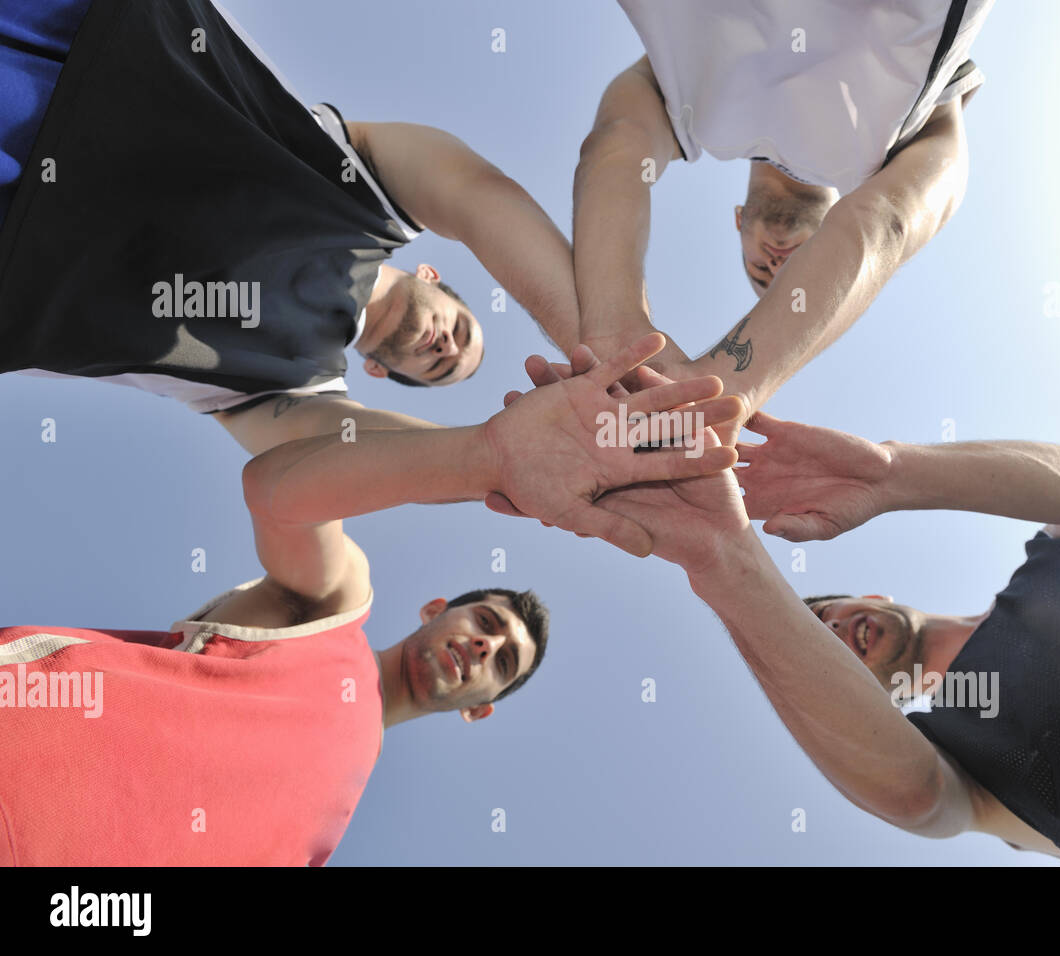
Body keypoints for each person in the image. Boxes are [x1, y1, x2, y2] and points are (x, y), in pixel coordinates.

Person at [505, 347, 1060, 865]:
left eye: (830, 613)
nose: (840, 632)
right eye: (825, 647)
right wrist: (725, 560)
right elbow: (920, 797)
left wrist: (894, 474)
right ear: (870, 696)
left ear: (873, 596)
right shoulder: (963, 766)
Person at [0, 336, 742, 865]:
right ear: (434, 608)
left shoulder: (325, 830)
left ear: (480, 707)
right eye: (486, 622)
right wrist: (486, 456)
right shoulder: (332, 610)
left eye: (504, 661)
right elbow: (277, 495)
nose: (486, 646)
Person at [0, 0, 585, 452]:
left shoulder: (283, 389)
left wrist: (491, 451)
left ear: (380, 370)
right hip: (73, 42)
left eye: (443, 368)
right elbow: (478, 196)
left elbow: (340, 452)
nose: (448, 346)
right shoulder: (377, 199)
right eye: (463, 328)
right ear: (431, 273)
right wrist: (602, 349)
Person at [572, 0, 994, 439]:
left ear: (739, 222)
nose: (776, 266)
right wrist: (726, 393)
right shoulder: (901, 140)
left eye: (759, 269)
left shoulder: (681, 106)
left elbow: (616, 147)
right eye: (790, 275)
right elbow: (886, 224)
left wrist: (617, 339)